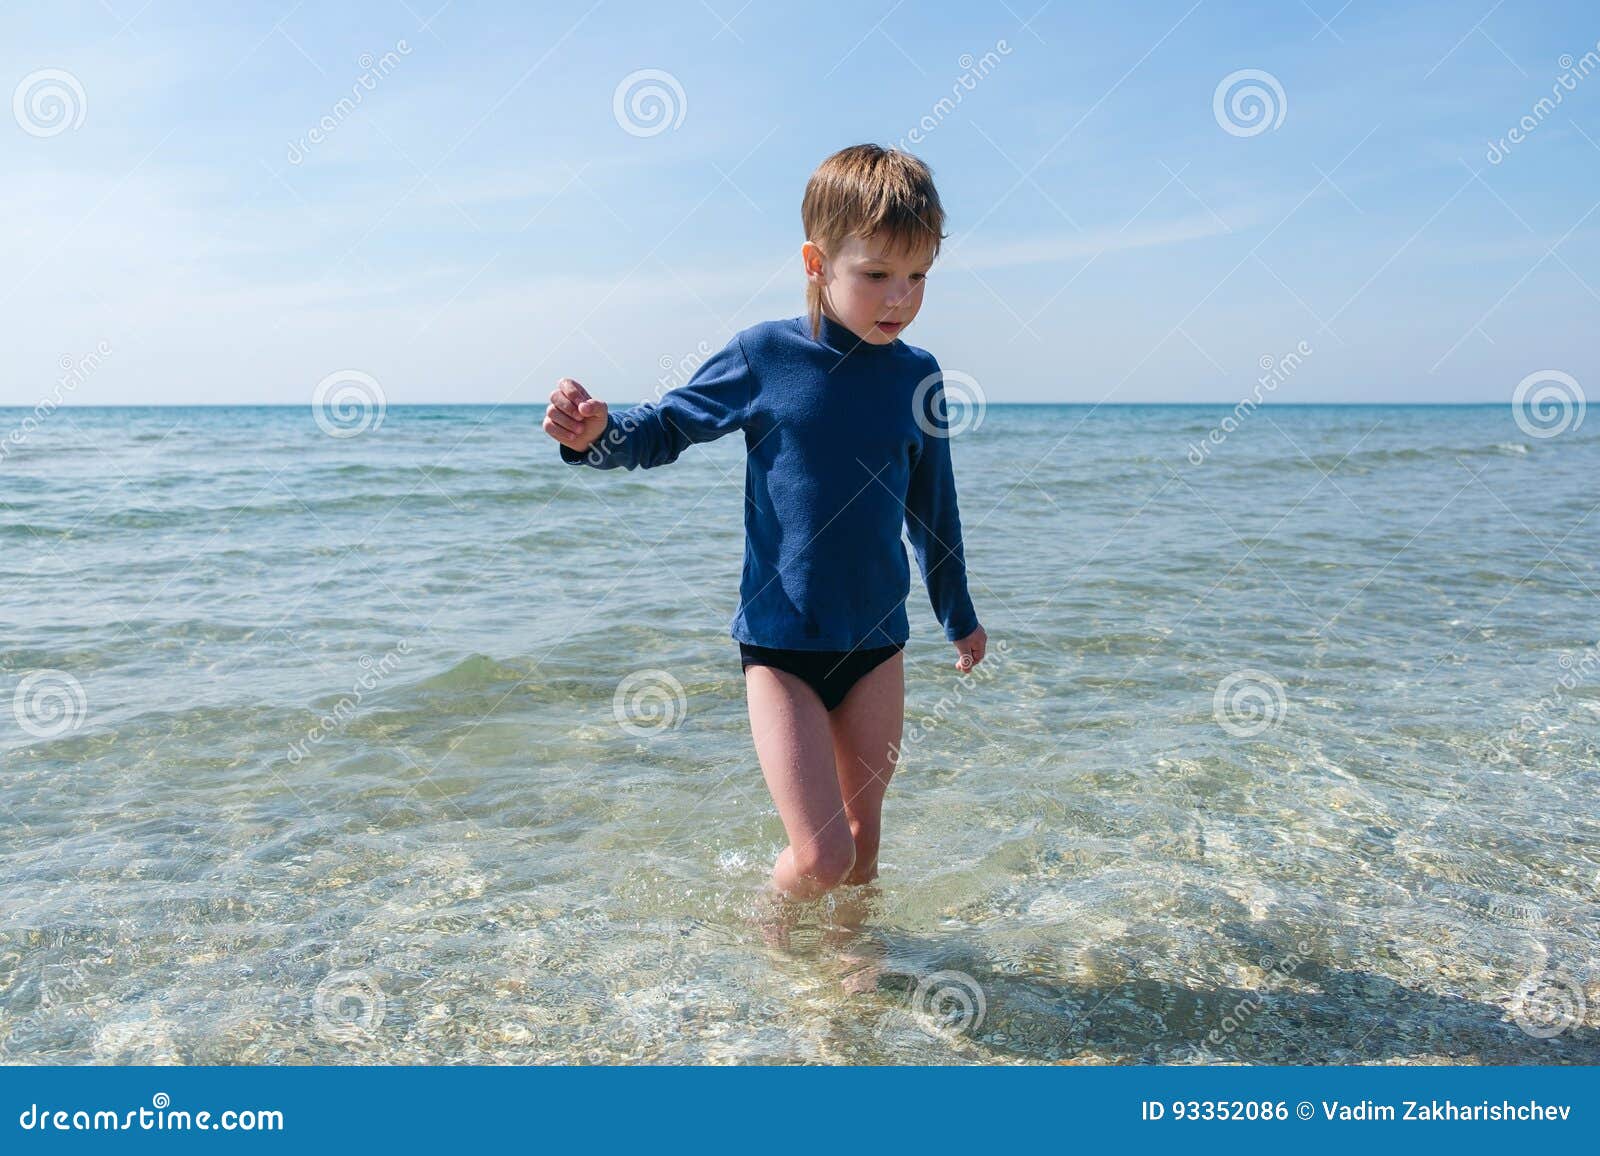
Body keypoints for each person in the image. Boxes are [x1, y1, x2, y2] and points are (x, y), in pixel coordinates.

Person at [543, 143, 987, 901]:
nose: (900, 298)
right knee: (822, 859)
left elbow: (931, 506)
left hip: (879, 642)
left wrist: (958, 614)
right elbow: (667, 429)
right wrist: (599, 437)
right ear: (817, 263)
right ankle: (769, 941)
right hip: (781, 646)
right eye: (876, 274)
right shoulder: (765, 355)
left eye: (918, 277)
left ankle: (849, 982)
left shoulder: (919, 375)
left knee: (865, 851)